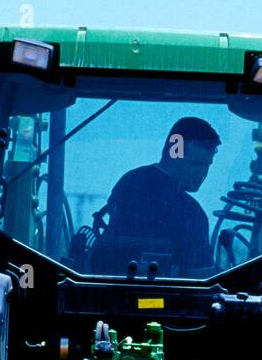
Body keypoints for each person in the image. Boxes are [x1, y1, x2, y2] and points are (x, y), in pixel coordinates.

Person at [92, 116, 221, 274]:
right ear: (173, 152)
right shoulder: (191, 213)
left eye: (206, 165)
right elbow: (201, 276)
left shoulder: (129, 182)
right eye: (195, 164)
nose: (201, 174)